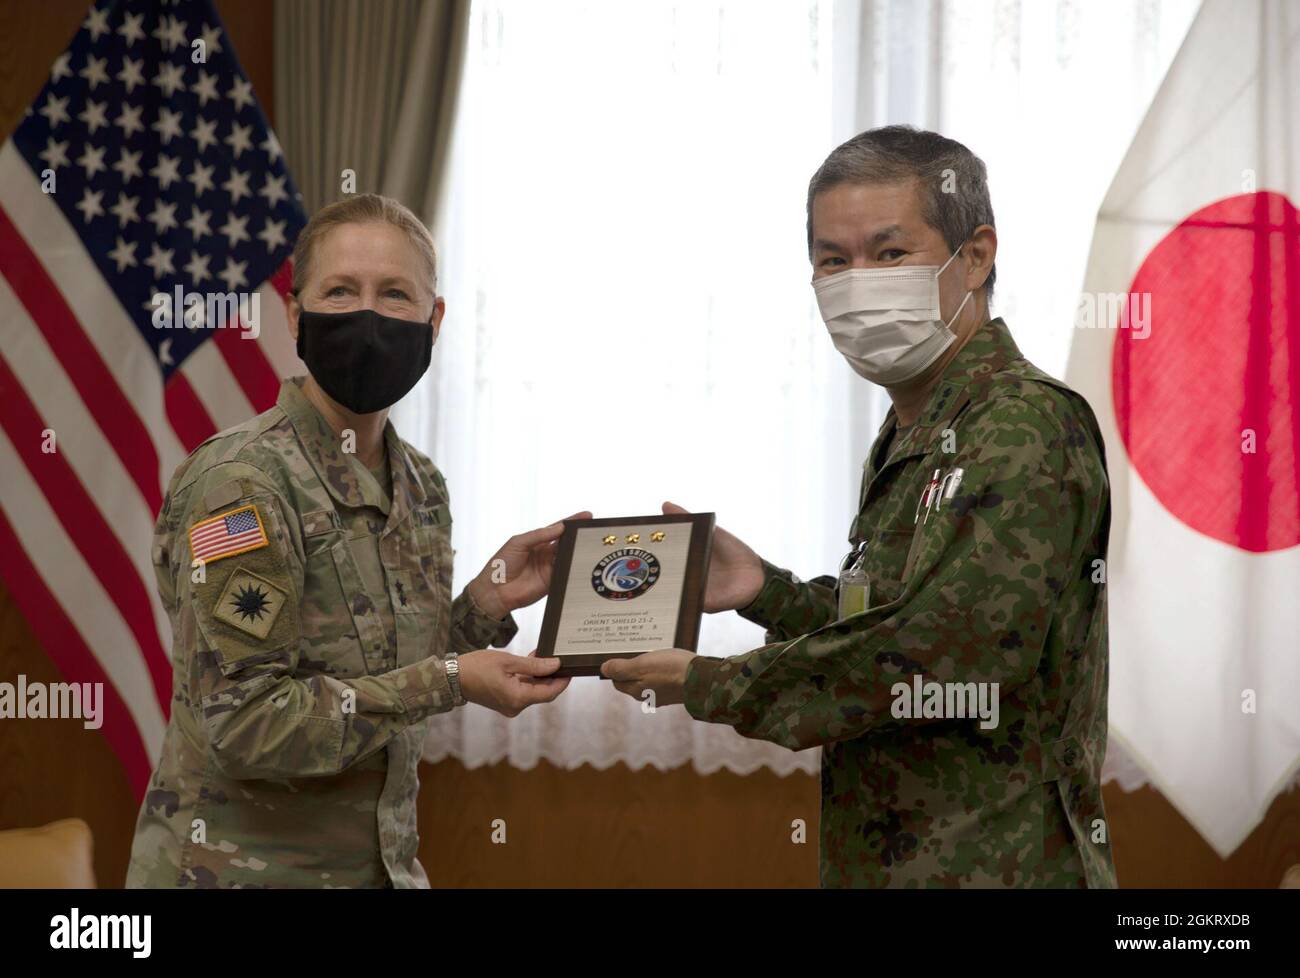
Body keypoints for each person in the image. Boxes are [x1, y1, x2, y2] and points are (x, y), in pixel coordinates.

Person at [604, 126, 1117, 888]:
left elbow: (947, 649)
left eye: (889, 253)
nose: (857, 281)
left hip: (1000, 865)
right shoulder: (917, 425)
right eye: (832, 260)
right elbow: (892, 615)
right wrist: (766, 592)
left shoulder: (1019, 421)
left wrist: (712, 682)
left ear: (975, 255)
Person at [127, 194, 579, 888]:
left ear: (435, 320)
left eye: (395, 294)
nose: (368, 316)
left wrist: (486, 605)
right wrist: (455, 679)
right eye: (341, 290)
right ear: (295, 314)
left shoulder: (420, 484)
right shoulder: (241, 484)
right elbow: (246, 723)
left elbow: (395, 673)